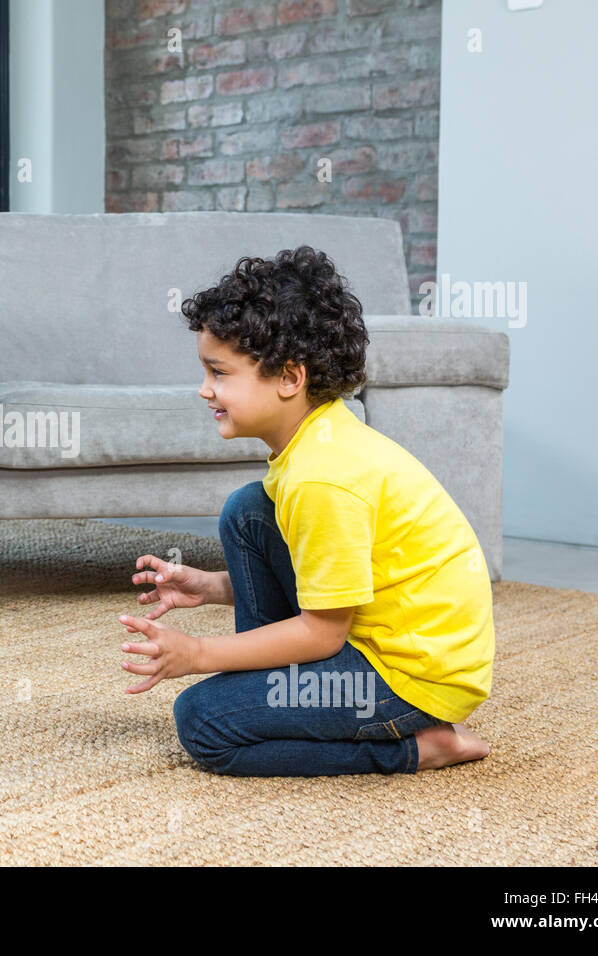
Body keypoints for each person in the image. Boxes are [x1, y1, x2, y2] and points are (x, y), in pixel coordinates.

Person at [117, 246, 494, 776]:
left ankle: (417, 746)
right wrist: (211, 588)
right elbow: (329, 576)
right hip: (375, 637)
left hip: (408, 677)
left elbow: (323, 632)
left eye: (219, 373)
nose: (205, 390)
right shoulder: (318, 437)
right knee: (248, 510)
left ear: (289, 379)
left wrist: (199, 654)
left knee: (202, 720)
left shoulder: (323, 476)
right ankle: (273, 687)